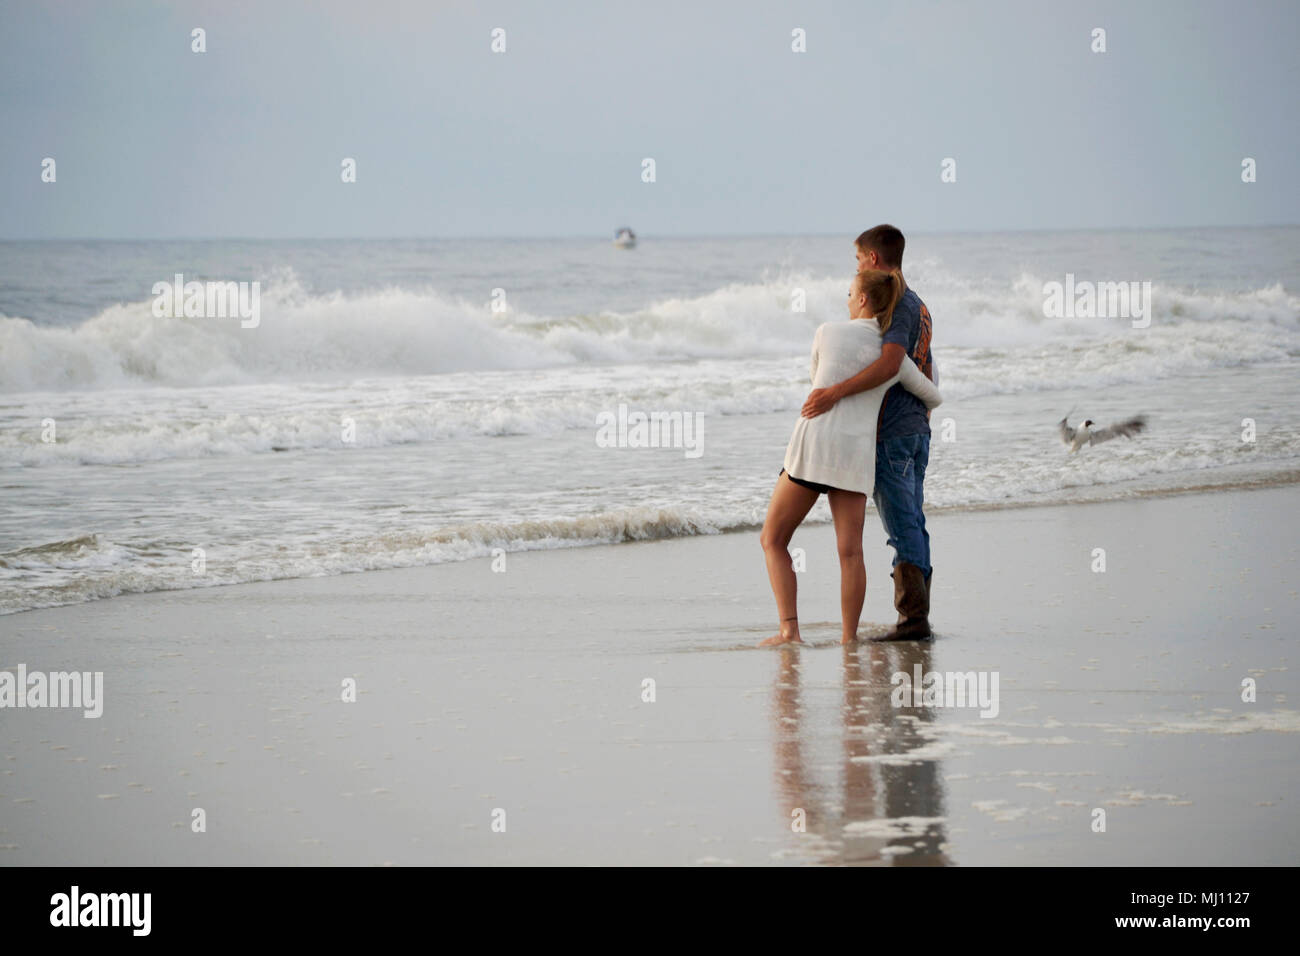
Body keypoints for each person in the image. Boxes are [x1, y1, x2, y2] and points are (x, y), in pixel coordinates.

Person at [760, 269, 941, 647]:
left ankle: (789, 631)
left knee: (774, 538)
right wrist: (919, 412)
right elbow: (932, 393)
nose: (846, 300)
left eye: (849, 293)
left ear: (862, 300)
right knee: (850, 553)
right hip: (854, 457)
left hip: (813, 448)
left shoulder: (827, 332)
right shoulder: (896, 358)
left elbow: (816, 383)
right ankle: (848, 640)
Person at [801, 225, 936, 641]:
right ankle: (916, 617)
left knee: (903, 526)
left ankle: (913, 621)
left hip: (894, 432)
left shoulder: (900, 308)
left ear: (873, 260)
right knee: (914, 520)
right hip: (914, 430)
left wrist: (833, 394)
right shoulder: (920, 306)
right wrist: (927, 414)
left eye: (858, 260)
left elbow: (892, 364)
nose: (857, 267)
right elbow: (925, 365)